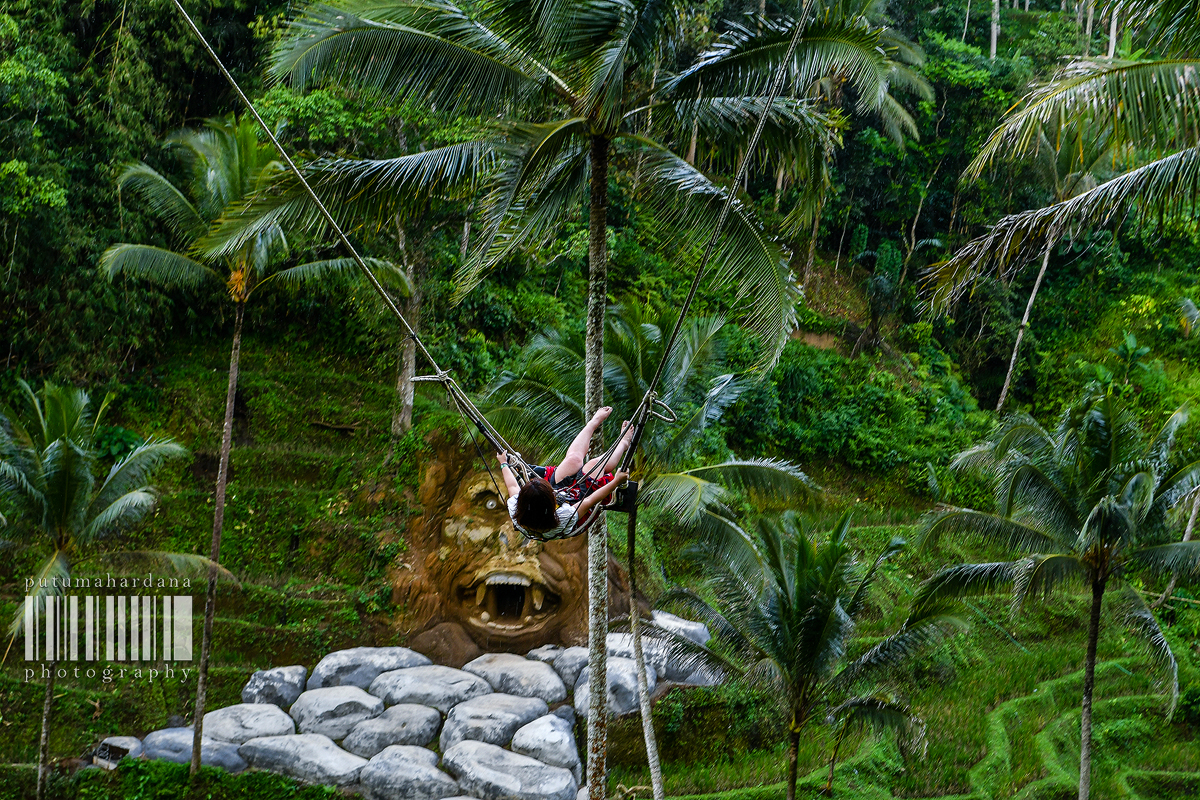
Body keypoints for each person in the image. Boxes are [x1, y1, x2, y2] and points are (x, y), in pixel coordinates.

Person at [498, 406, 632, 539]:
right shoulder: (563, 516)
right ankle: (623, 443)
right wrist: (616, 482)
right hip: (577, 511)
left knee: (573, 461)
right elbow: (590, 500)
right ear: (550, 501)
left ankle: (593, 423)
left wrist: (503, 463)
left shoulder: (516, 508)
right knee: (594, 466)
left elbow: (512, 486)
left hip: (557, 498)